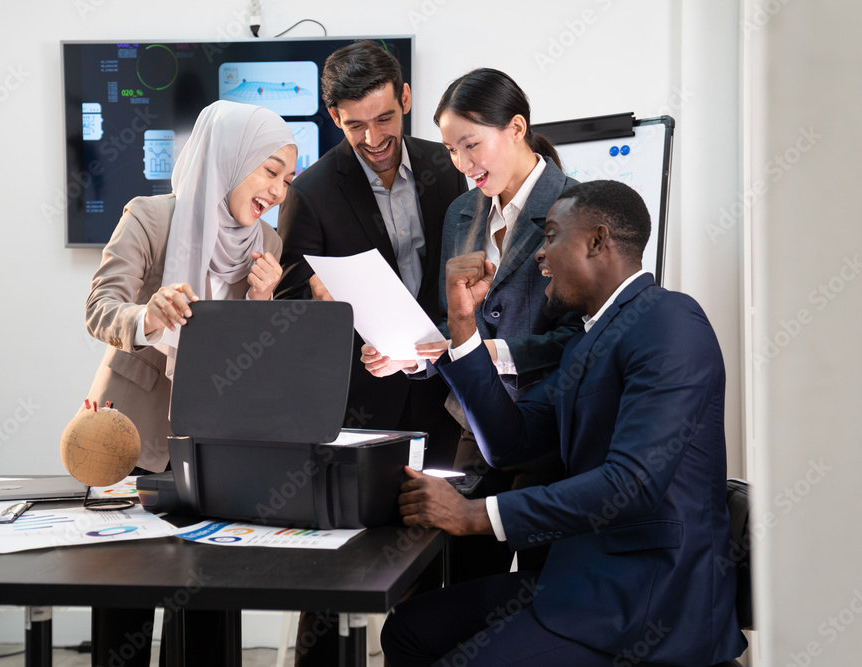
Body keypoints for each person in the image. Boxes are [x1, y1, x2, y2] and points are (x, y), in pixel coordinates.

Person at [381, 180, 747, 665]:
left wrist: (474, 515)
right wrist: (464, 326)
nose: (539, 253)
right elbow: (510, 444)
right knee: (408, 629)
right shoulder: (587, 342)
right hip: (581, 578)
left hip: (647, 600)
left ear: (597, 241)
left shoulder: (669, 319)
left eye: (551, 235)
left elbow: (632, 483)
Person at [83, 100, 297, 667]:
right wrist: (148, 316)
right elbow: (99, 308)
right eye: (270, 171)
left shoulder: (267, 246)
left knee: (208, 603)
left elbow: (255, 365)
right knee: (125, 601)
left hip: (214, 448)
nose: (278, 191)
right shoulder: (150, 217)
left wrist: (262, 303)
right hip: (130, 437)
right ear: (231, 159)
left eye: (287, 180)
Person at [274, 41, 467, 666]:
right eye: (356, 125)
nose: (375, 138)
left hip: (449, 399)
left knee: (436, 560)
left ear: (405, 98)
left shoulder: (449, 166)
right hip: (360, 409)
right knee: (339, 567)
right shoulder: (312, 191)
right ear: (334, 117)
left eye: (385, 118)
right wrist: (326, 303)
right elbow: (289, 304)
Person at [361, 68, 583, 579]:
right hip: (474, 429)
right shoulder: (462, 211)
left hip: (551, 430)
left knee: (544, 587)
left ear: (516, 128)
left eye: (471, 146)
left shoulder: (577, 206)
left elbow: (584, 336)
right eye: (451, 150)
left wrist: (490, 355)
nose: (461, 164)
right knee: (462, 586)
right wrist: (410, 354)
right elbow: (453, 322)